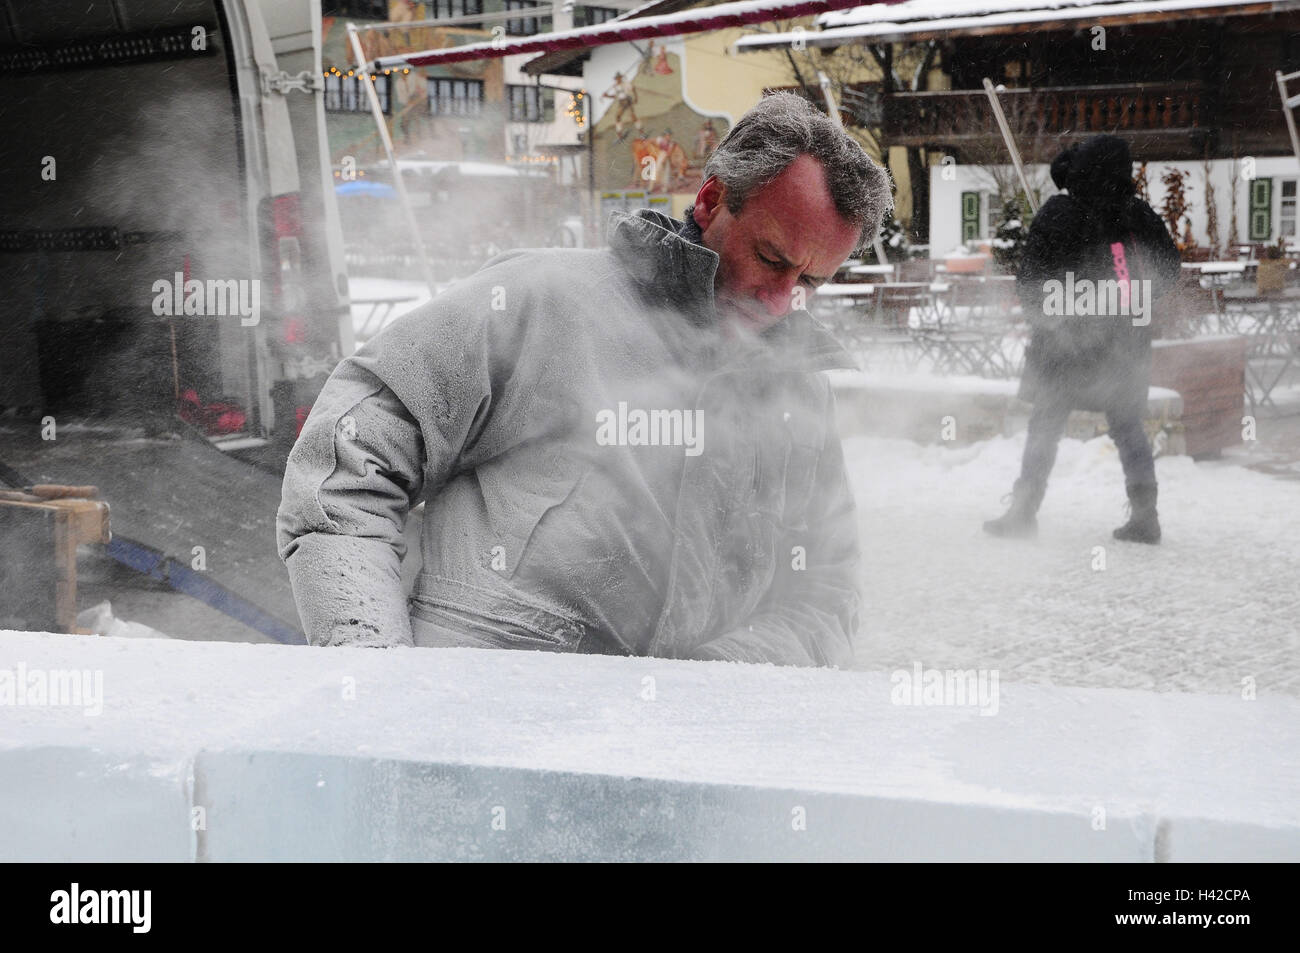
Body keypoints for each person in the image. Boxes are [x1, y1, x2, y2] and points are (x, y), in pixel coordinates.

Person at [276, 92, 893, 666]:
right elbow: (346, 461)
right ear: (709, 200)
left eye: (809, 282)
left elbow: (827, 593)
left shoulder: (797, 391)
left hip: (677, 756)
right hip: (480, 730)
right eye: (770, 259)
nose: (781, 302)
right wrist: (375, 673)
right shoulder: (539, 301)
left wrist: (708, 688)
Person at [984, 135, 1181, 543]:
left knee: (1045, 426)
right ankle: (1146, 516)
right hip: (1124, 345)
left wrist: (1053, 318)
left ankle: (1023, 510)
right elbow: (1168, 269)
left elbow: (1030, 282)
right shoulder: (1137, 214)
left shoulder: (1059, 213)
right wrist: (1134, 306)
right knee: (1128, 427)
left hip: (1061, 348)